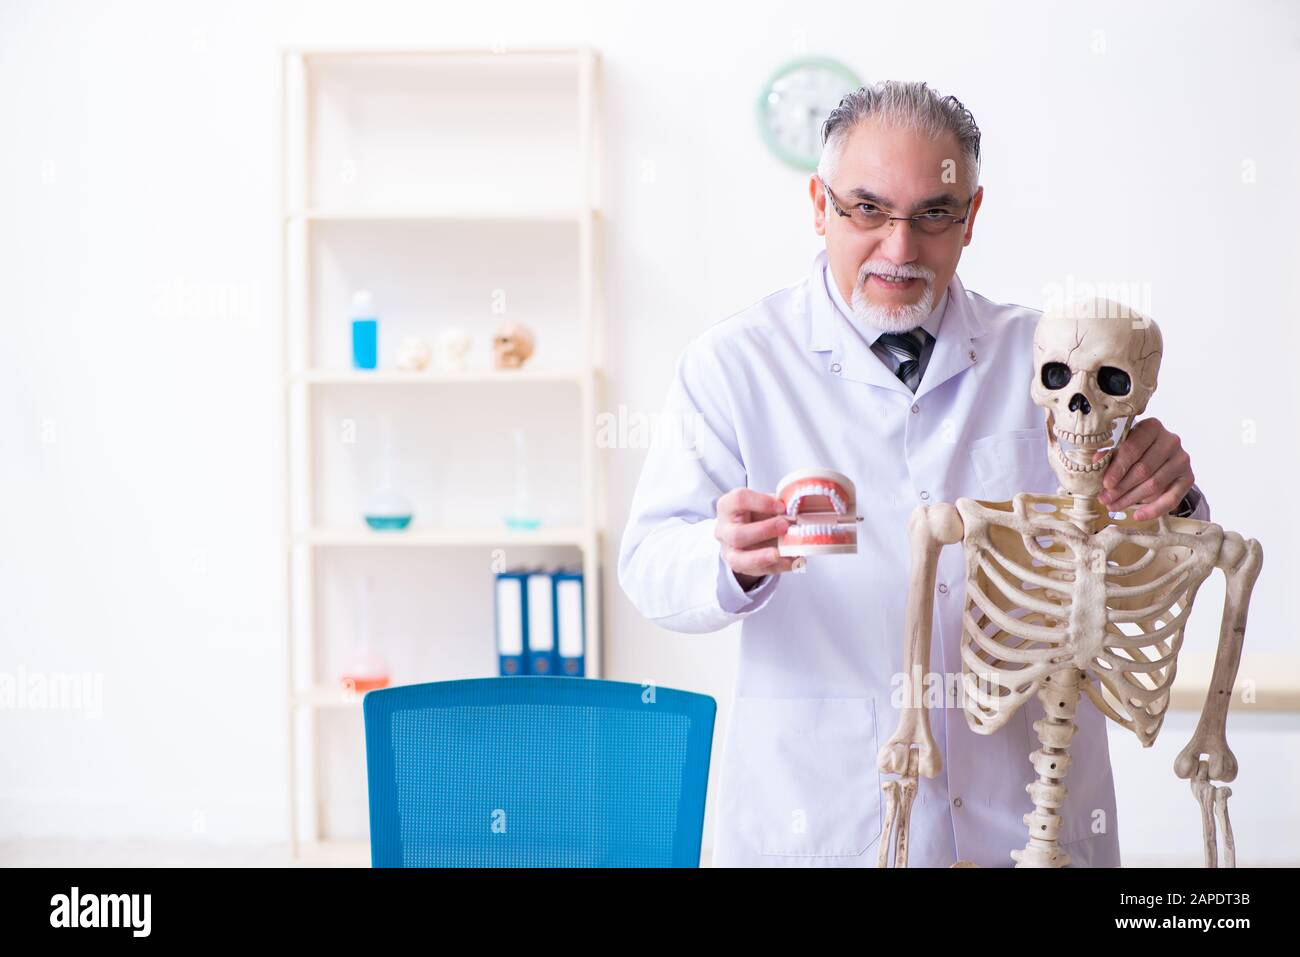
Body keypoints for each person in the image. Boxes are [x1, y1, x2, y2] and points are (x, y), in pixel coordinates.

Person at [617, 80, 1208, 867]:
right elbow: (651, 565)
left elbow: (1150, 553)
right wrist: (727, 558)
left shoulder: (1057, 361)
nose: (899, 249)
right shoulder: (735, 365)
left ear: (971, 217)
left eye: (933, 214)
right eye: (867, 209)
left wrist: (1173, 495)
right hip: (822, 815)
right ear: (818, 205)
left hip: (1026, 819)